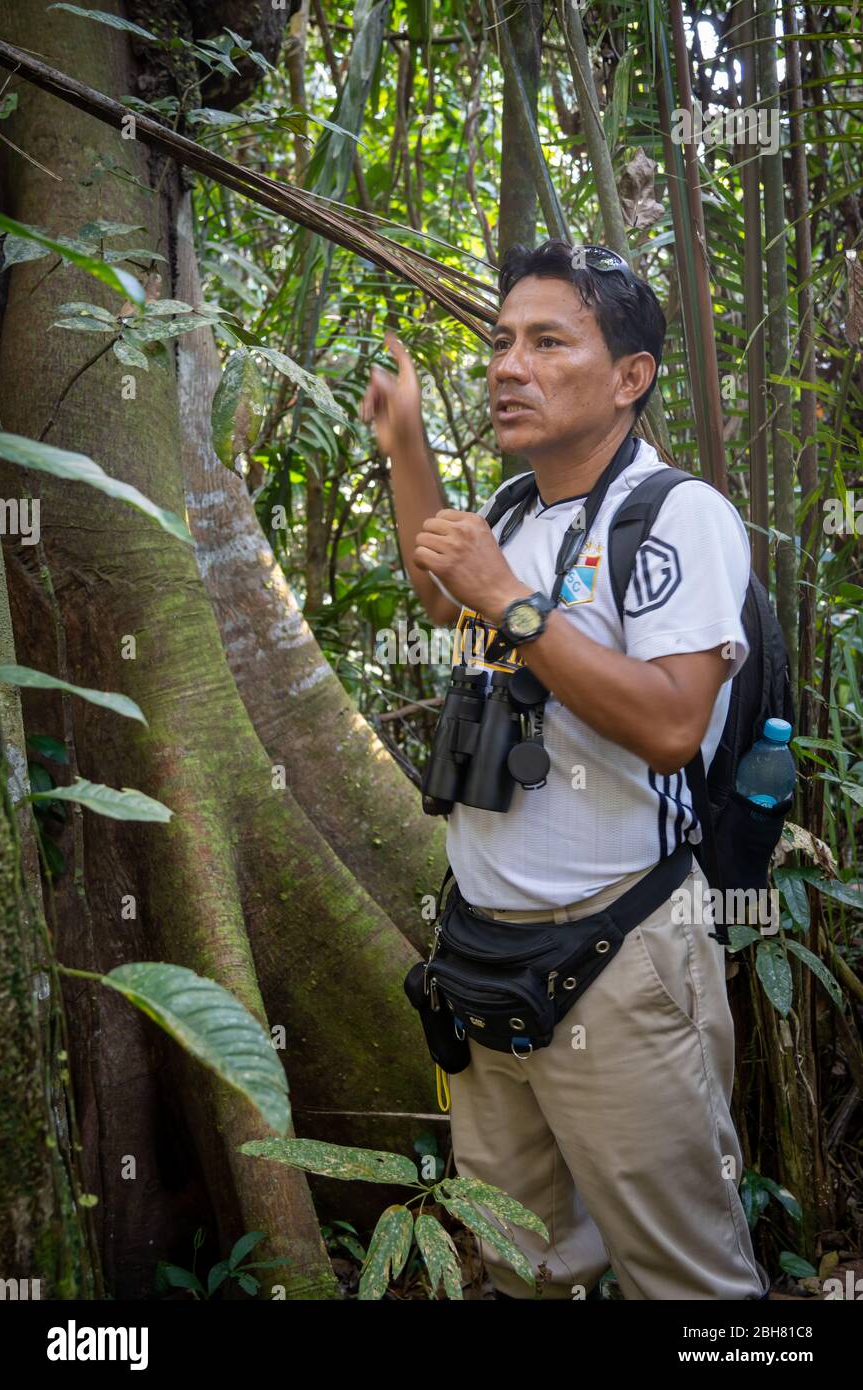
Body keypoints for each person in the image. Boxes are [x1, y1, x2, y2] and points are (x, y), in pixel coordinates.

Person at [360, 238, 771, 1301]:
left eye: (548, 342)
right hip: (485, 963)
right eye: (500, 342)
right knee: (521, 1261)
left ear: (628, 377)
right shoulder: (507, 511)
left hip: (620, 958)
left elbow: (675, 724)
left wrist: (513, 603)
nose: (507, 365)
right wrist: (405, 444)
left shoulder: (676, 517)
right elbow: (445, 594)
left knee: (685, 1280)